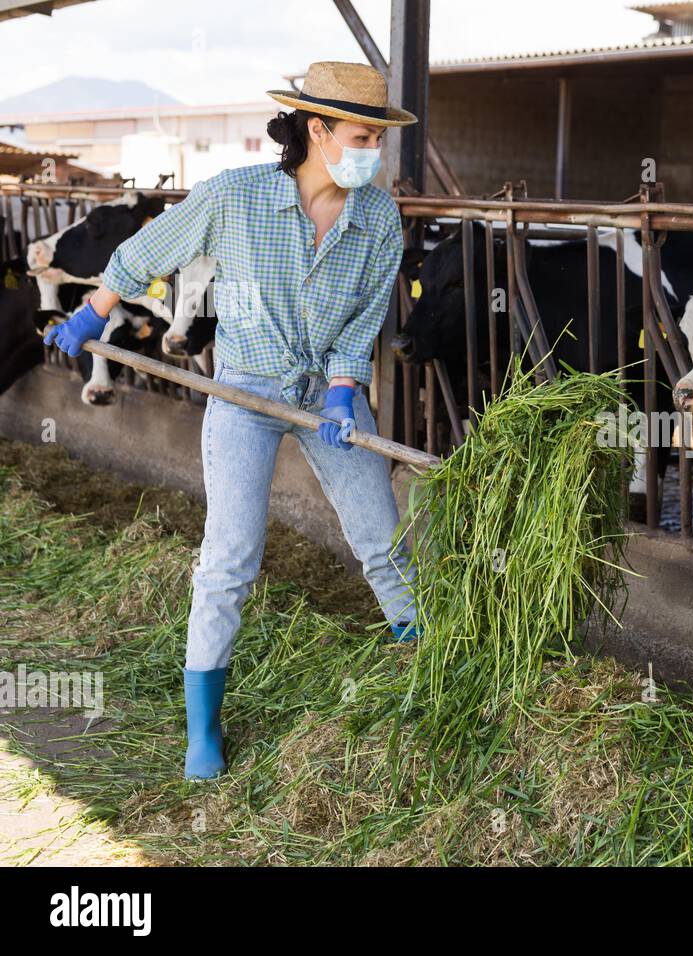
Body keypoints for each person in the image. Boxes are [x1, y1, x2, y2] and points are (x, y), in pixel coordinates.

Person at [45, 61, 421, 780]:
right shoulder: (236, 197)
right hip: (246, 392)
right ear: (318, 129)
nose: (372, 150)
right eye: (362, 134)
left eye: (377, 135)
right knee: (229, 559)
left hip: (325, 396)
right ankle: (202, 732)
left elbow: (368, 311)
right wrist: (92, 310)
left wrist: (343, 386)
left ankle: (429, 675)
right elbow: (146, 251)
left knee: (382, 539)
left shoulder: (378, 216)